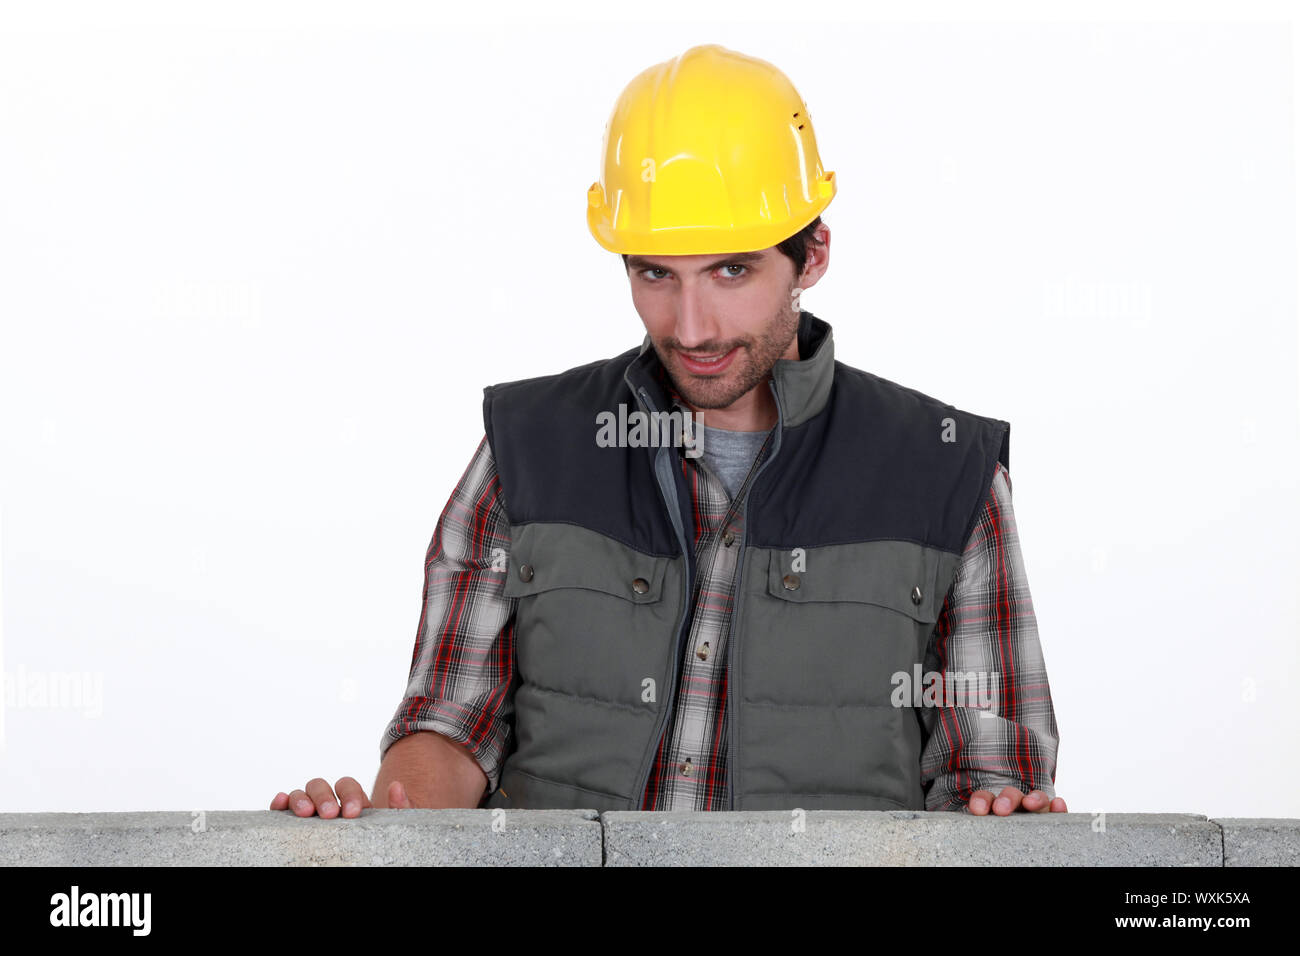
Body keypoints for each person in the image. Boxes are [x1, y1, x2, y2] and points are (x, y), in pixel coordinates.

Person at [271, 43, 1064, 819]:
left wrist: (1004, 811)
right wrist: (387, 824)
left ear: (812, 253)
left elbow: (985, 785)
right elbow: (449, 725)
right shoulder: (528, 451)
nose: (690, 327)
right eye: (655, 274)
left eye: (731, 271)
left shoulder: (944, 476)